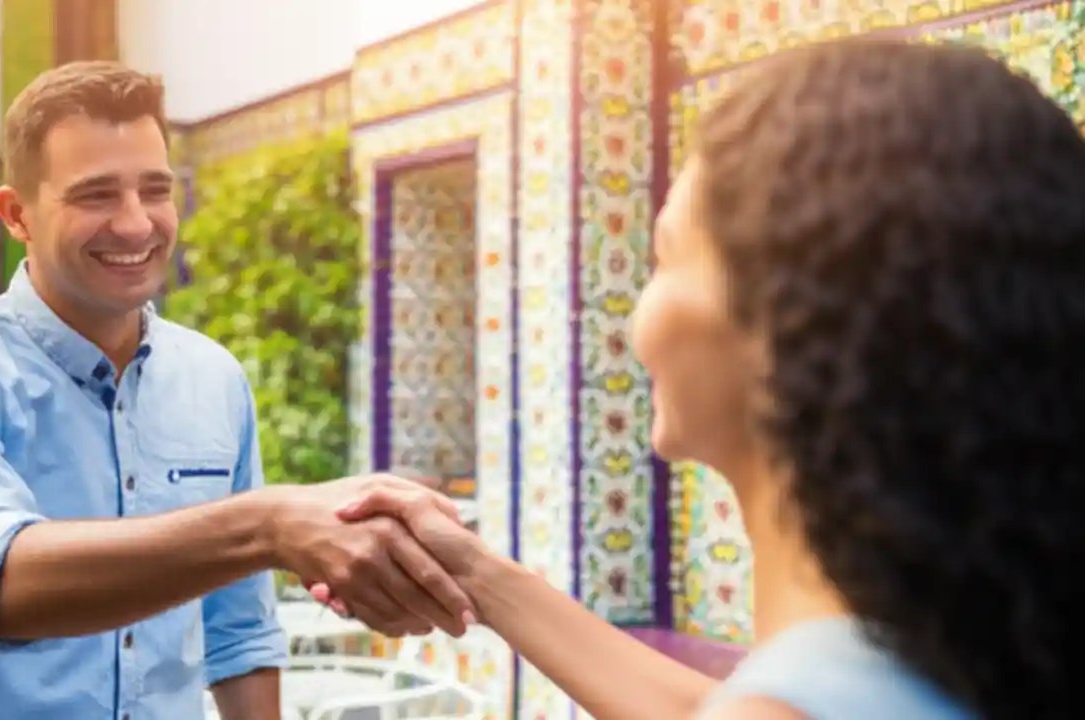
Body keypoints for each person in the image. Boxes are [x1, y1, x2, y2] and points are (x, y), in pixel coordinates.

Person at [320, 38, 1083, 719]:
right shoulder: (970, 642)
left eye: (664, 256)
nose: (638, 316)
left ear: (783, 316)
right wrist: (479, 576)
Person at [0, 61, 474, 720]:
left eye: (155, 190)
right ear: (17, 215)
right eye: (96, 195)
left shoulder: (213, 378)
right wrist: (268, 524)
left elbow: (237, 632)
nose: (136, 225)